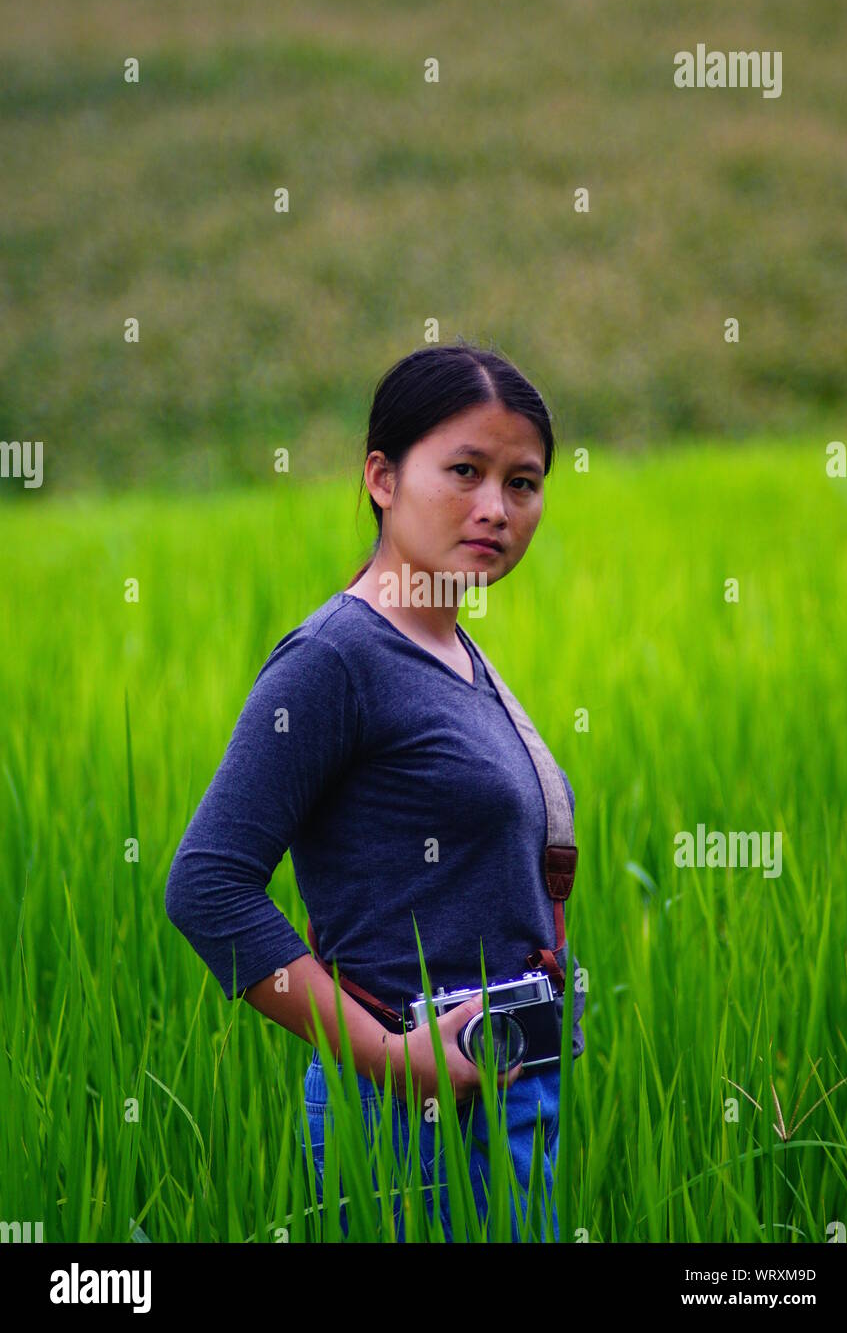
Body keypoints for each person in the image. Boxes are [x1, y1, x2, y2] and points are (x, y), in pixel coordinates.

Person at [164, 339, 586, 1242]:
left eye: (523, 482)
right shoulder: (337, 659)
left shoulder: (457, 654)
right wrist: (393, 1060)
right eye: (464, 470)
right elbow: (207, 884)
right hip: (414, 1120)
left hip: (510, 1092)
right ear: (383, 478)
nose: (496, 508)